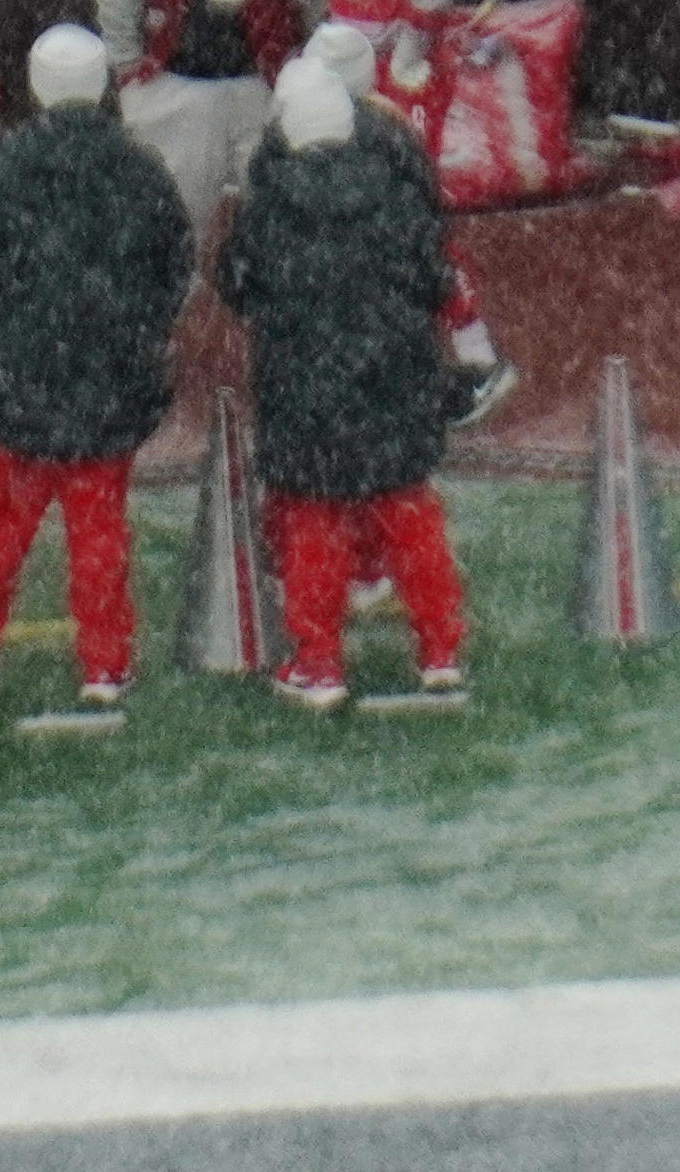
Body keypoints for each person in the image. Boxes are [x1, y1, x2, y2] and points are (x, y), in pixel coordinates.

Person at [0, 25, 196, 704]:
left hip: (18, 380)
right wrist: (137, 334)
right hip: (107, 378)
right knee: (99, 531)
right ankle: (104, 664)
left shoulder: (3, 170)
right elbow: (172, 263)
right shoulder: (137, 169)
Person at [217, 54, 472, 707]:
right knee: (410, 514)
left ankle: (319, 661)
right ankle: (440, 649)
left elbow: (235, 284)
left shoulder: (268, 209)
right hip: (394, 380)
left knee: (312, 526)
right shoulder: (392, 194)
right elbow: (433, 280)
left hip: (305, 392)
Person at [300, 14, 514, 422]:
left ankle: (477, 360)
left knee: (414, 233)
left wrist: (418, 31)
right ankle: (409, 368)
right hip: (370, 55)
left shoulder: (407, 64)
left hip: (398, 61)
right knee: (389, 237)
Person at [111, 0, 305, 233]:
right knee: (175, 219)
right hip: (173, 83)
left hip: (263, 83)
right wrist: (126, 63)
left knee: (272, 217)